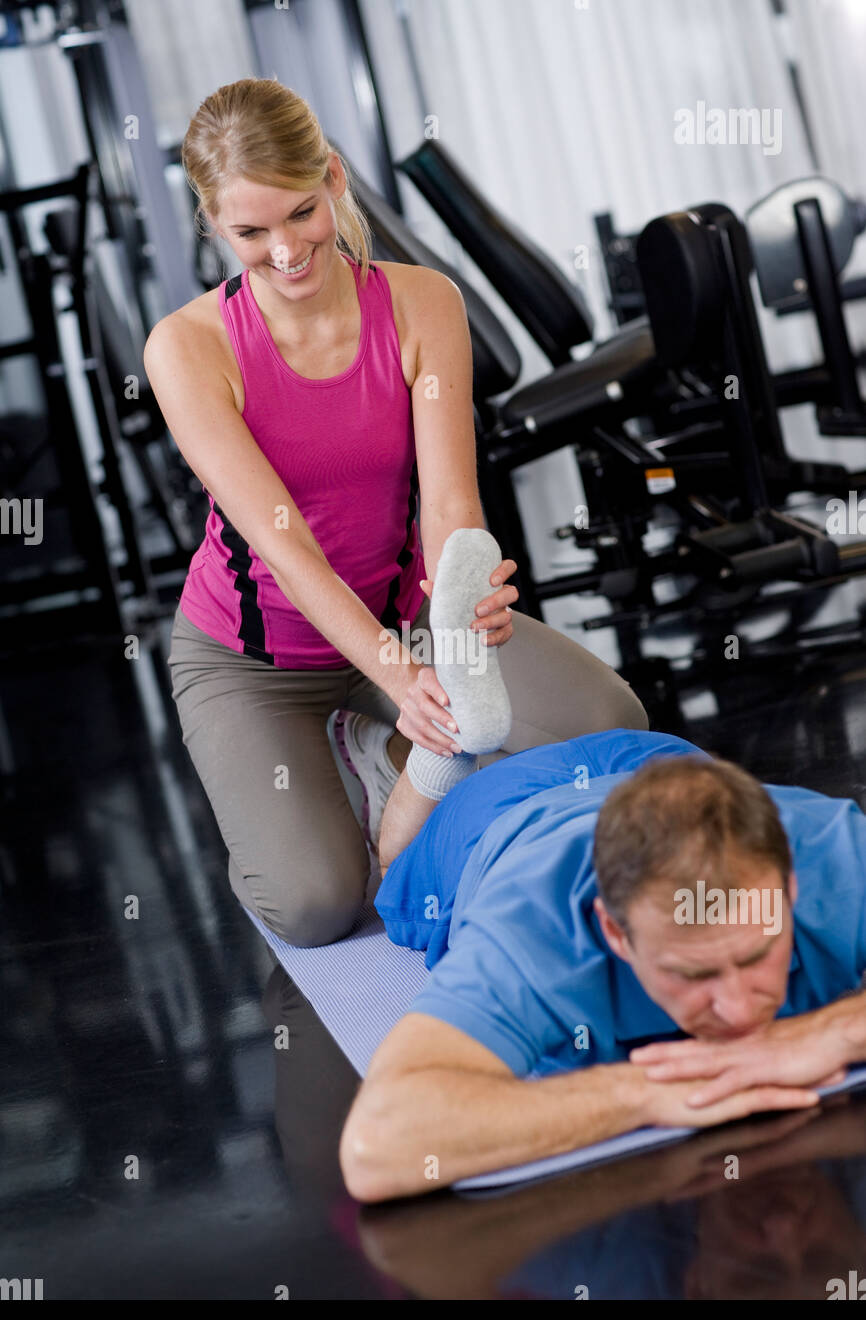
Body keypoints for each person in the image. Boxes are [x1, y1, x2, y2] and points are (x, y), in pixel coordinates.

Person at [143, 77, 647, 947]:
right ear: (213, 226)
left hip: (404, 619)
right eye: (249, 233)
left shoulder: (422, 303)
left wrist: (461, 602)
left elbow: (452, 498)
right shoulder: (188, 348)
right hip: (254, 661)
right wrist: (391, 675)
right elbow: (280, 539)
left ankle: (395, 759)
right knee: (317, 905)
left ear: (334, 178)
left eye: (300, 213)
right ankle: (313, 787)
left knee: (610, 726)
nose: (287, 251)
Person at [339, 728, 866, 1202]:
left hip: (660, 762)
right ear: (614, 932)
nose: (737, 1008)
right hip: (493, 809)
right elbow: (378, 1145)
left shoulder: (834, 851)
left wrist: (834, 1033)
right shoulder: (533, 929)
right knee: (393, 873)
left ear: (789, 891)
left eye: (756, 956)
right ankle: (416, 757)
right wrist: (646, 1093)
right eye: (693, 973)